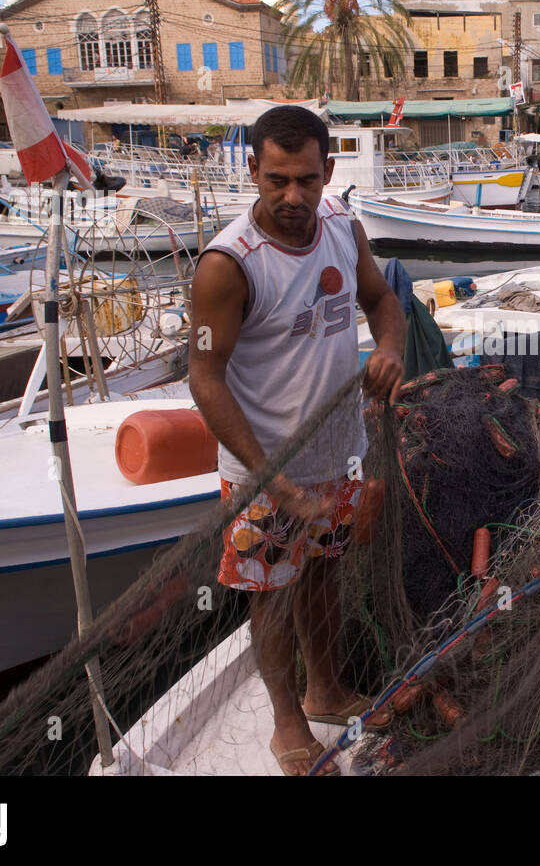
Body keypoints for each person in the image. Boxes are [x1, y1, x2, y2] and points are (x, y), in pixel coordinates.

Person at [189, 105, 407, 775]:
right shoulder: (229, 265)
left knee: (325, 578)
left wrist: (392, 350)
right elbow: (204, 378)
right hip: (265, 469)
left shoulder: (344, 226)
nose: (293, 197)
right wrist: (270, 477)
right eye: (277, 179)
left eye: (307, 180)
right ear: (251, 170)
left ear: (328, 173)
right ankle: (288, 721)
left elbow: (383, 302)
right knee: (271, 595)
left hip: (337, 456)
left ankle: (328, 688)